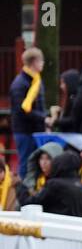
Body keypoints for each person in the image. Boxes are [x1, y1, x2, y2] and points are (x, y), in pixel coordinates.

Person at [9, 47, 47, 178]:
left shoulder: (36, 81)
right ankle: (24, 196)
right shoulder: (20, 83)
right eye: (41, 60)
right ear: (34, 62)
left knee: (37, 163)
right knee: (26, 163)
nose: (43, 63)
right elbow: (22, 110)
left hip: (36, 129)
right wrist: (44, 118)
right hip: (24, 131)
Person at [26, 151, 82, 218]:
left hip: (56, 225)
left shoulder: (54, 184)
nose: (44, 162)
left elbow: (31, 203)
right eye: (41, 159)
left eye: (48, 159)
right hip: (78, 226)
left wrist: (21, 188)